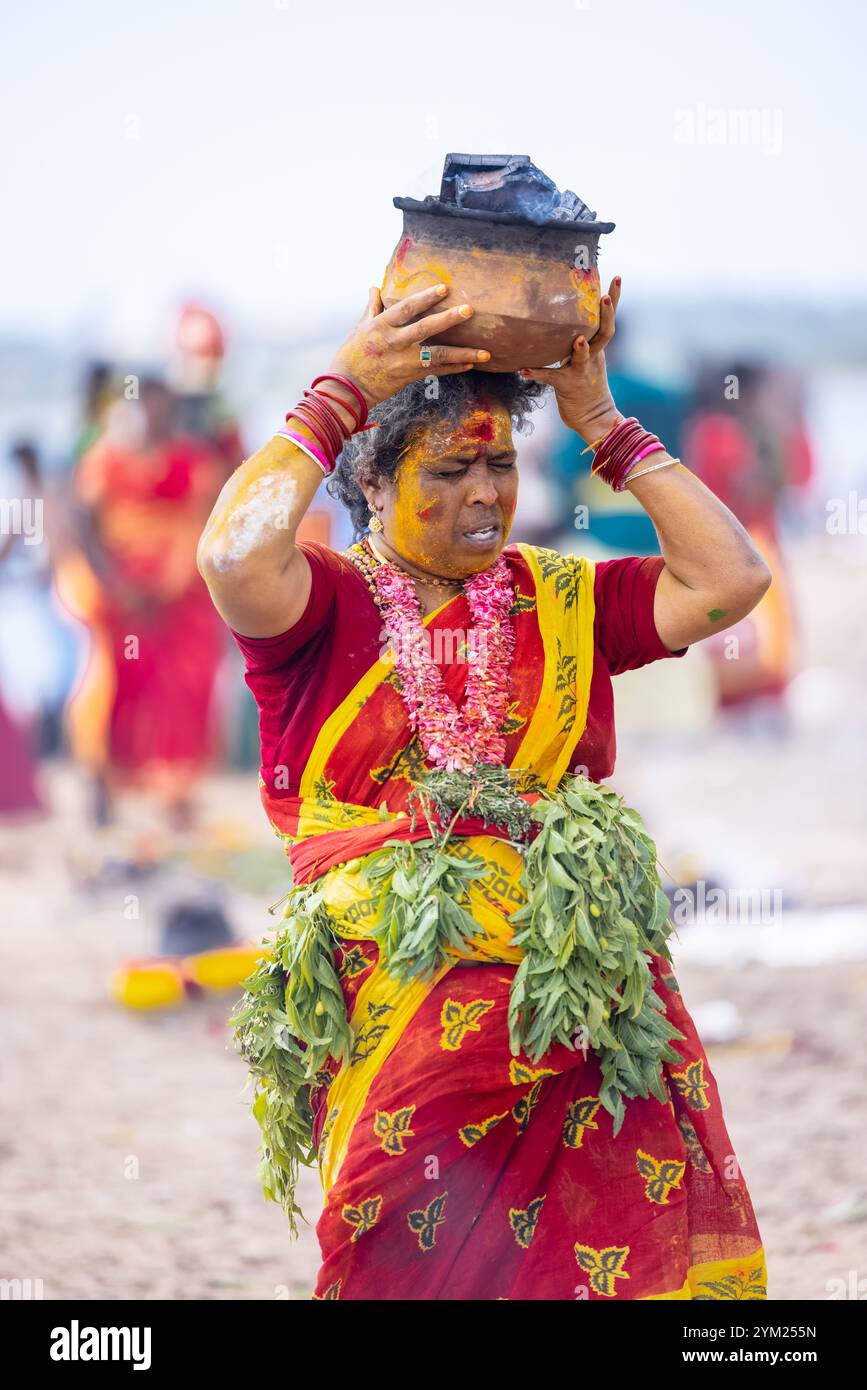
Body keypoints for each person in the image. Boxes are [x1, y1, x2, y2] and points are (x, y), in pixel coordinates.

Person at [198, 277, 771, 1301]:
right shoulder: (321, 606)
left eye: (500, 463)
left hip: (572, 990)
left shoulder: (565, 598)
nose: (483, 492)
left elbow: (731, 582)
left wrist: (602, 421)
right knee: (403, 1243)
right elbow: (232, 554)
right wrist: (341, 391)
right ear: (372, 483)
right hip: (401, 999)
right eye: (450, 466)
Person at [66, 378, 225, 826]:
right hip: (121, 596)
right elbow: (82, 519)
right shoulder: (106, 461)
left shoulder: (195, 462)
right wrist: (112, 580)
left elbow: (204, 521)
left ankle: (176, 793)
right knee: (112, 684)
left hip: (180, 595)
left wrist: (170, 584)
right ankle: (101, 778)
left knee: (184, 689)